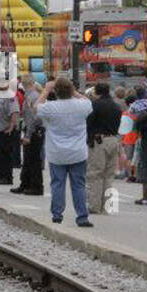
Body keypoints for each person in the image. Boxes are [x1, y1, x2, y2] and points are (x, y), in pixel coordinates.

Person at [36, 77, 93, 227]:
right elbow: (88, 101)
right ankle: (82, 216)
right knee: (79, 185)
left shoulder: (51, 107)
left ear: (56, 92)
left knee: (57, 184)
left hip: (57, 153)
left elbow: (37, 106)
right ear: (71, 90)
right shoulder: (82, 106)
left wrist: (46, 90)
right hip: (78, 152)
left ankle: (57, 215)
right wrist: (74, 92)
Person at [85, 82, 122, 214]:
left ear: (96, 92)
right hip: (113, 139)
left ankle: (94, 205)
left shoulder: (95, 105)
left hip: (100, 140)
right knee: (108, 175)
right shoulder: (116, 106)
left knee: (95, 173)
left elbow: (89, 123)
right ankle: (107, 206)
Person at [13, 74, 44, 196]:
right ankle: (25, 183)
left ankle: (36, 186)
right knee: (27, 159)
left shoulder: (32, 97)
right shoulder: (31, 95)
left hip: (34, 131)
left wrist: (28, 135)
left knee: (33, 159)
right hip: (33, 129)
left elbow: (32, 118)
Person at [0, 87, 20, 186]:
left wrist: (12, 125)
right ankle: (0, 176)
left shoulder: (10, 96)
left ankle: (6, 177)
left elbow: (14, 111)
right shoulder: (0, 95)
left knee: (4, 156)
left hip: (4, 131)